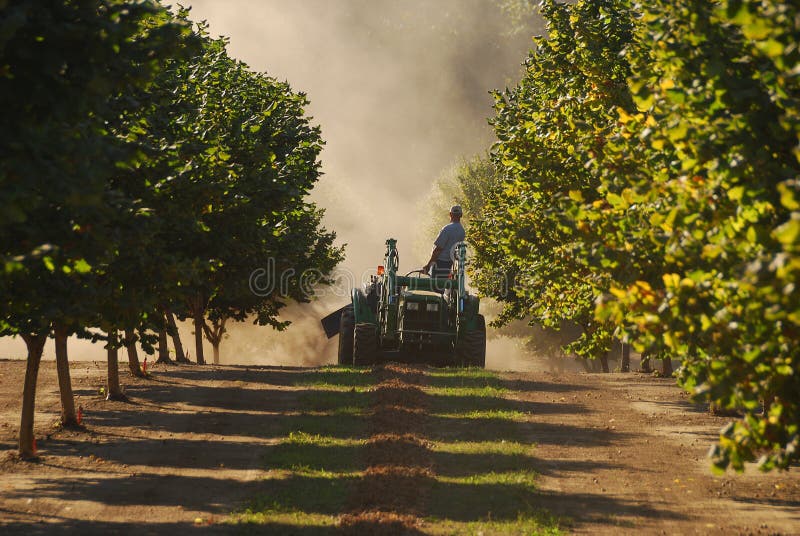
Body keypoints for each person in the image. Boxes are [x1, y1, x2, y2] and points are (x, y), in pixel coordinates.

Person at [423, 205, 465, 278]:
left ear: (450, 214)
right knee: (443, 283)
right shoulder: (462, 231)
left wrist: (428, 266)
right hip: (449, 263)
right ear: (461, 215)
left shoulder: (447, 229)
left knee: (436, 284)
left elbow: (438, 249)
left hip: (439, 263)